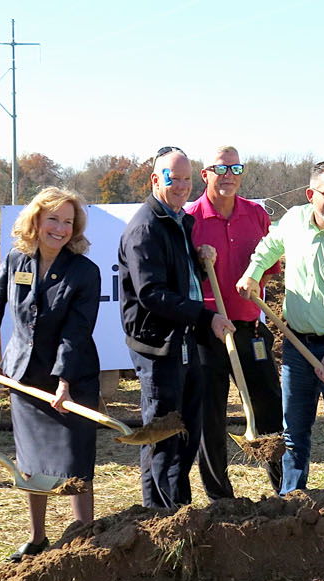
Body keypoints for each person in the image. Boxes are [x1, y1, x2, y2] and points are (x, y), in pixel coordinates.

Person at [0, 188, 100, 562]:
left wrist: (64, 382)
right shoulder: (16, 260)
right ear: (36, 221)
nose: (59, 228)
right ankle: (37, 537)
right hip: (24, 377)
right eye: (53, 219)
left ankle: (83, 538)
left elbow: (77, 331)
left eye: (68, 222)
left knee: (76, 464)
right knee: (31, 465)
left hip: (71, 379)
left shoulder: (85, 272)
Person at [238, 161, 324, 496]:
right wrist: (253, 273)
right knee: (293, 433)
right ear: (310, 194)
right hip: (296, 347)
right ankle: (291, 503)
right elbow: (269, 246)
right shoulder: (294, 221)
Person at [119, 147, 231, 509]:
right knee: (165, 437)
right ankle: (173, 519)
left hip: (185, 342)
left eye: (185, 179)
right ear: (156, 179)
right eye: (173, 178)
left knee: (186, 433)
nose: (181, 186)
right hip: (159, 347)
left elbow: (176, 280)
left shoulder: (179, 220)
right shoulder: (145, 228)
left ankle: (163, 516)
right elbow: (152, 293)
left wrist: (200, 264)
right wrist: (204, 316)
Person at [188, 146, 285, 496]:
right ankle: (220, 497)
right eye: (220, 168)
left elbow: (270, 266)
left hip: (248, 329)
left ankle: (284, 489)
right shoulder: (190, 219)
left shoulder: (256, 216)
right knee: (210, 416)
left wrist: (257, 282)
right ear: (206, 174)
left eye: (235, 167)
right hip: (207, 332)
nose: (228, 174)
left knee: (270, 408)